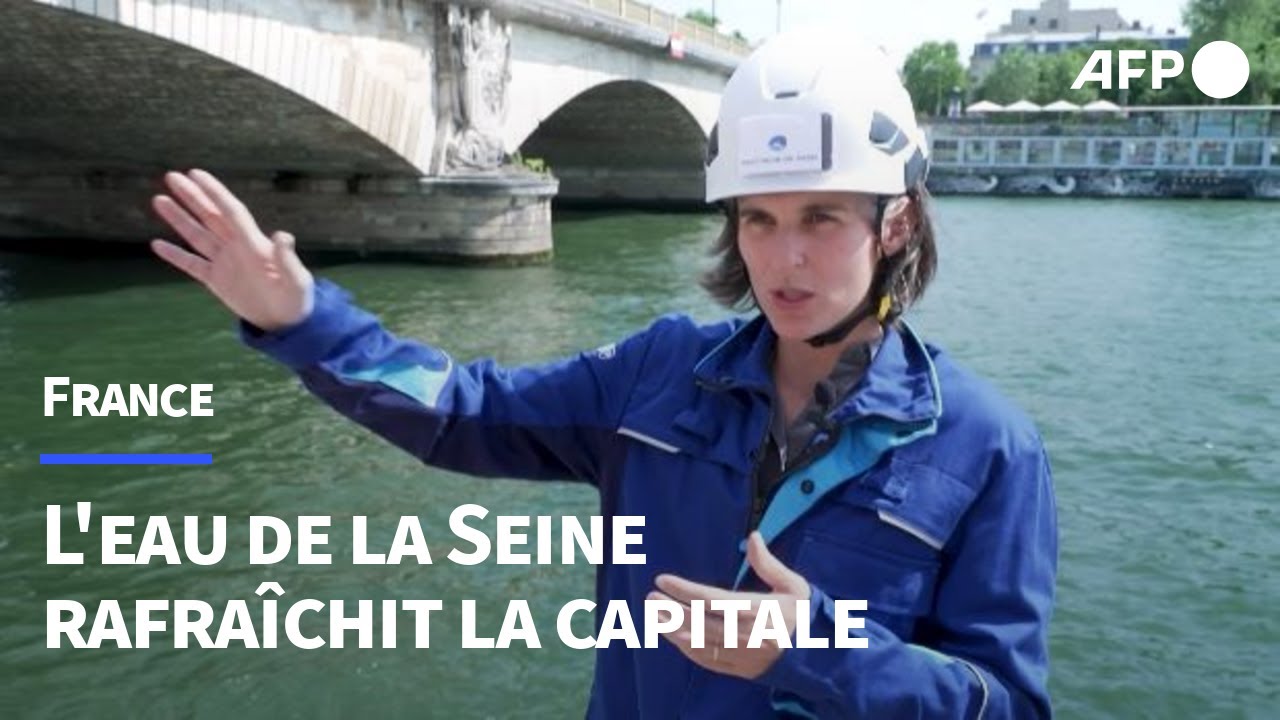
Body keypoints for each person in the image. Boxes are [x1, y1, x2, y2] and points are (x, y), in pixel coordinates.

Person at [150, 30, 1056, 720]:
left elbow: (1003, 702)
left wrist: (817, 650)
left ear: (894, 226)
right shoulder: (658, 376)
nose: (784, 261)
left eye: (821, 218)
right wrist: (306, 324)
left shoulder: (986, 446)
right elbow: (464, 411)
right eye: (758, 219)